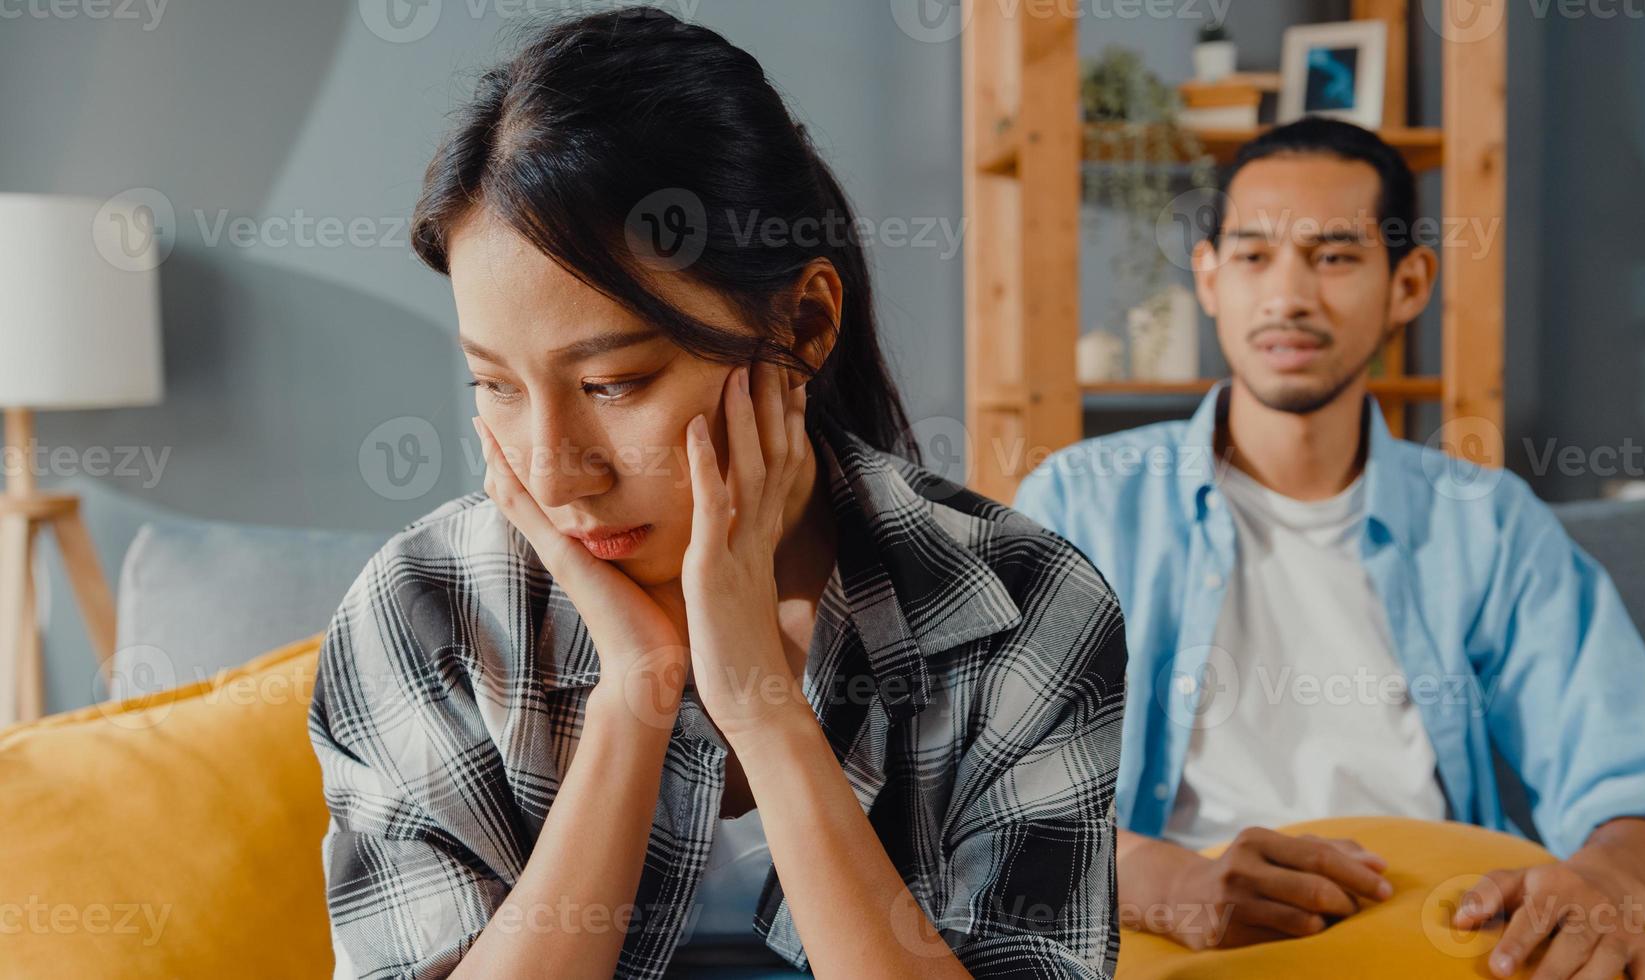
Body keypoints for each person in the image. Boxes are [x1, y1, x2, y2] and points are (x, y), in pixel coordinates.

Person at [306, 9, 1126, 979]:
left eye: (613, 383)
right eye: (496, 384)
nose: (556, 467)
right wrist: (634, 697)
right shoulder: (425, 612)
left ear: (805, 325)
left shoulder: (1022, 607)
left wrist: (765, 710)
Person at [1015, 117, 1645, 980]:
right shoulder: (1080, 501)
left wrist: (1599, 884)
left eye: (1334, 256)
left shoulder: (1488, 522)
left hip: (1451, 926)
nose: (1289, 296)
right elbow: (1002, 803)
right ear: (1207, 278)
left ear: (1408, 282)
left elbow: (1638, 787)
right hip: (1182, 934)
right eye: (1253, 256)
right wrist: (1172, 884)